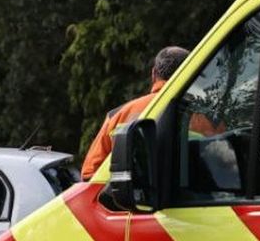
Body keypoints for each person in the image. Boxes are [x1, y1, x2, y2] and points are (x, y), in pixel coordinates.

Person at [81, 46, 190, 180]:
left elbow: (89, 174)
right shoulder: (205, 117)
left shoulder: (118, 115)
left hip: (131, 199)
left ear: (153, 74)